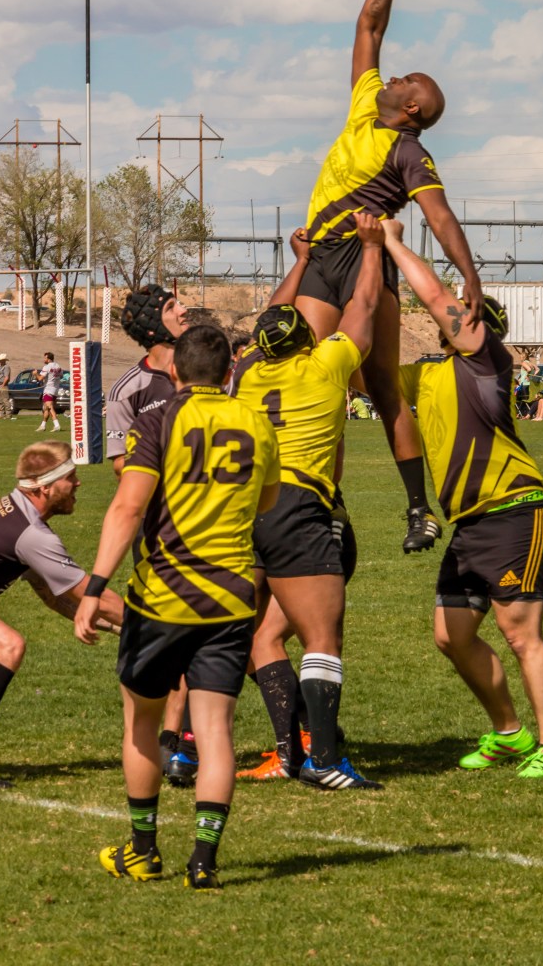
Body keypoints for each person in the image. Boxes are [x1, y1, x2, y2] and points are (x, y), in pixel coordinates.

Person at [295, 0, 483, 556]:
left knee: (379, 388)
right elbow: (368, 27)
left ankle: (418, 510)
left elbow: (441, 217)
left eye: (404, 81)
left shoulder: (408, 151)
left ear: (412, 109)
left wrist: (470, 276)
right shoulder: (362, 108)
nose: (392, 74)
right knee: (313, 378)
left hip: (364, 259)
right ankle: (329, 508)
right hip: (320, 257)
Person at [74, 324, 280, 890]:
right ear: (230, 372)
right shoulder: (257, 422)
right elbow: (267, 499)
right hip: (232, 598)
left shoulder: (157, 420)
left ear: (173, 372)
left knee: (141, 723)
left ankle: (143, 851)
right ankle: (204, 861)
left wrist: (94, 588)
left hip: (164, 597)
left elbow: (126, 508)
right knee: (215, 730)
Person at [383, 219, 543, 779]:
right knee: (452, 635)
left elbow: (438, 296)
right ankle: (510, 733)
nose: (452, 312)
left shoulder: (487, 361)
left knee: (520, 634)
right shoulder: (431, 374)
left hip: (515, 510)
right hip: (469, 525)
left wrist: (392, 242)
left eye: (464, 311)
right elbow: (368, 377)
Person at [231, 214, 384, 790]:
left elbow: (269, 322)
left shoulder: (246, 374)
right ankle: (323, 760)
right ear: (308, 341)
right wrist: (370, 249)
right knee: (323, 640)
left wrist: (301, 261)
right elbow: (363, 310)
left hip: (251, 510)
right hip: (300, 506)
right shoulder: (325, 365)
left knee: (263, 636)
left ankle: (289, 752)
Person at [0, 441, 124, 789]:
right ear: (45, 487)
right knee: (6, 647)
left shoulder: (20, 516)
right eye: (71, 478)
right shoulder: (31, 533)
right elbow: (89, 592)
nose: (78, 484)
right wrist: (155, 624)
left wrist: (119, 628)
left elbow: (54, 596)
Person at [106, 285, 208, 787]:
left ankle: (178, 740)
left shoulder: (207, 373)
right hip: (160, 534)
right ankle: (171, 741)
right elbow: (122, 465)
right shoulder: (128, 390)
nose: (183, 309)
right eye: (171, 307)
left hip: (216, 525)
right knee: (170, 636)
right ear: (151, 326)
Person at [37, 352, 62, 432]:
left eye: (45, 358)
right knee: (46, 408)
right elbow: (61, 376)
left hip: (48, 390)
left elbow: (40, 378)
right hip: (55, 390)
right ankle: (43, 425)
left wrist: (35, 374)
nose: (44, 359)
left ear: (48, 359)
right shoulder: (58, 366)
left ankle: (57, 425)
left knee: (50, 407)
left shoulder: (47, 367)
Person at [0, 352, 12, 420]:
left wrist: (3, 385)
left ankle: (8, 414)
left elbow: (6, 377)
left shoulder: (6, 367)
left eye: (0, 360)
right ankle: (2, 414)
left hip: (3, 385)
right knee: (0, 400)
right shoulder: (0, 367)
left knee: (5, 400)